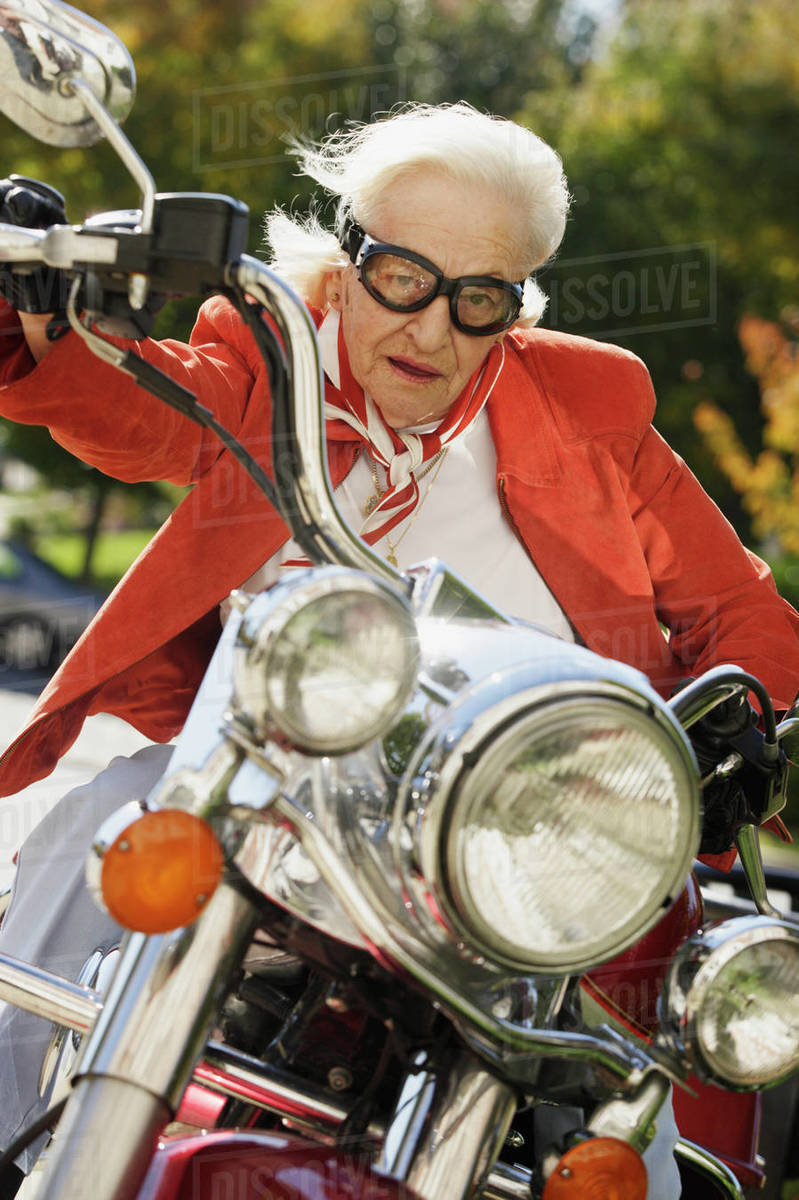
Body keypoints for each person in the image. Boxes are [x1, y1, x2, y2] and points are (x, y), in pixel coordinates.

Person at [0, 102, 798, 1198]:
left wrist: (747, 715)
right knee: (83, 843)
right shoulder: (272, 353)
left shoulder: (585, 403)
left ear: (514, 304)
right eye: (400, 279)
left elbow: (736, 607)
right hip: (266, 786)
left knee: (635, 1139)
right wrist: (43, 328)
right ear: (347, 255)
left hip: (519, 839)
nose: (429, 331)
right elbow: (152, 414)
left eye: (477, 301)